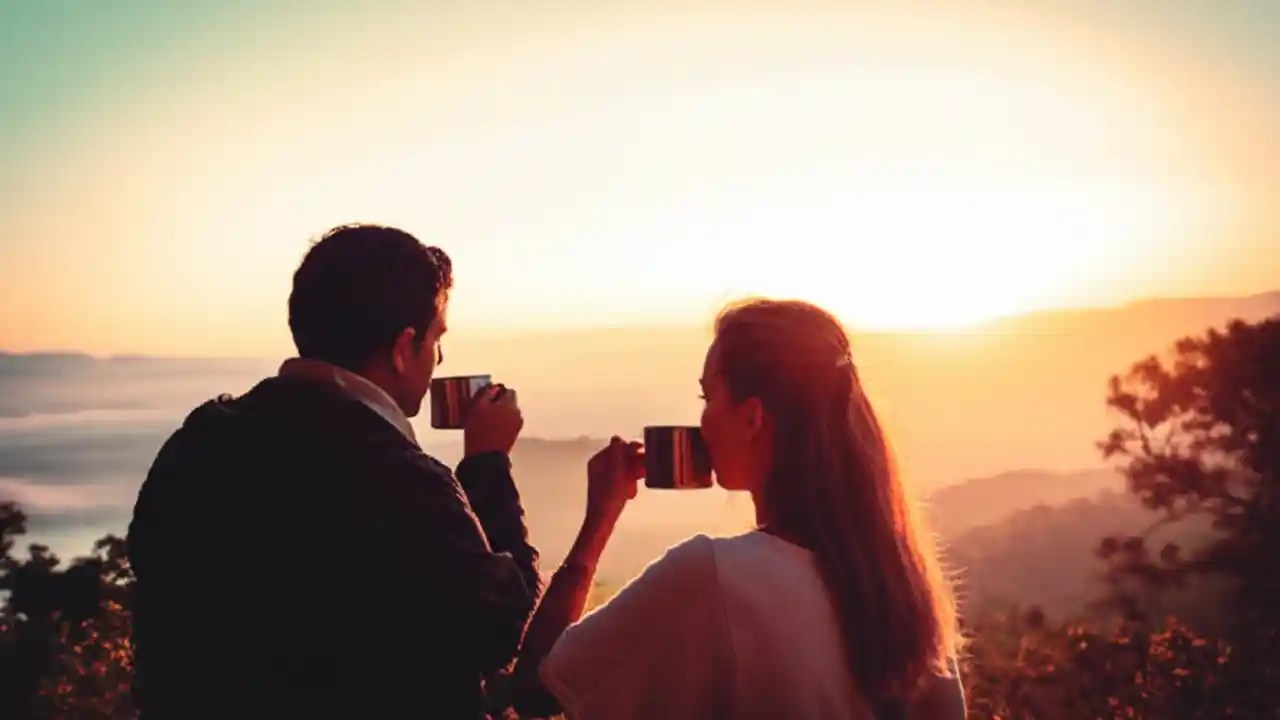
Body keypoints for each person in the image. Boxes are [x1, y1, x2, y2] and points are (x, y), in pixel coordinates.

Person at [127, 224, 540, 719]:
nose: (439, 357)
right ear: (402, 347)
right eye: (435, 339)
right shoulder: (396, 479)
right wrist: (487, 464)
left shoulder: (200, 441)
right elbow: (500, 626)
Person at [512, 299, 964, 719]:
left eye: (708, 398)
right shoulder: (905, 593)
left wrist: (600, 518)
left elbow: (537, 689)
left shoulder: (711, 574)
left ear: (752, 418)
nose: (702, 420)